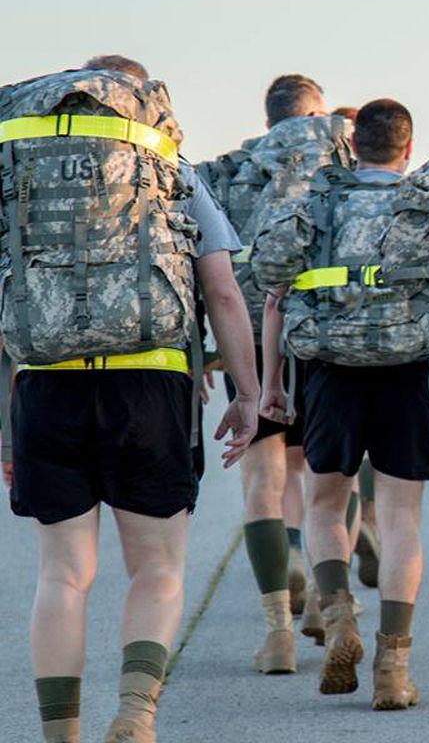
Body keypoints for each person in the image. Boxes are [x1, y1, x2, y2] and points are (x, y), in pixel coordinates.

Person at [6, 57, 258, 743]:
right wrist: (247, 392)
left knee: (62, 574)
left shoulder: (19, 168)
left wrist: (7, 426)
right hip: (150, 382)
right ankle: (135, 714)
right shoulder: (169, 167)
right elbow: (223, 290)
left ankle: (60, 734)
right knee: (157, 568)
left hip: (46, 381)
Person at [255, 98, 429, 708]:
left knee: (326, 504)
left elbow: (272, 284)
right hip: (407, 371)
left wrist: (272, 384)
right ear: (407, 149)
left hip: (331, 371)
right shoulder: (424, 204)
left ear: (352, 145)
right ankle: (393, 669)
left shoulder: (317, 202)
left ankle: (337, 620)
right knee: (402, 518)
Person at [199, 73, 340, 674]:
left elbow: (203, 263)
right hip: (323, 332)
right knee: (331, 477)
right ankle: (329, 605)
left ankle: (278, 631)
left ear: (269, 119)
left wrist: (203, 350)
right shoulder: (339, 152)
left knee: (262, 476)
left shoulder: (234, 170)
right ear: (316, 113)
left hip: (251, 335)